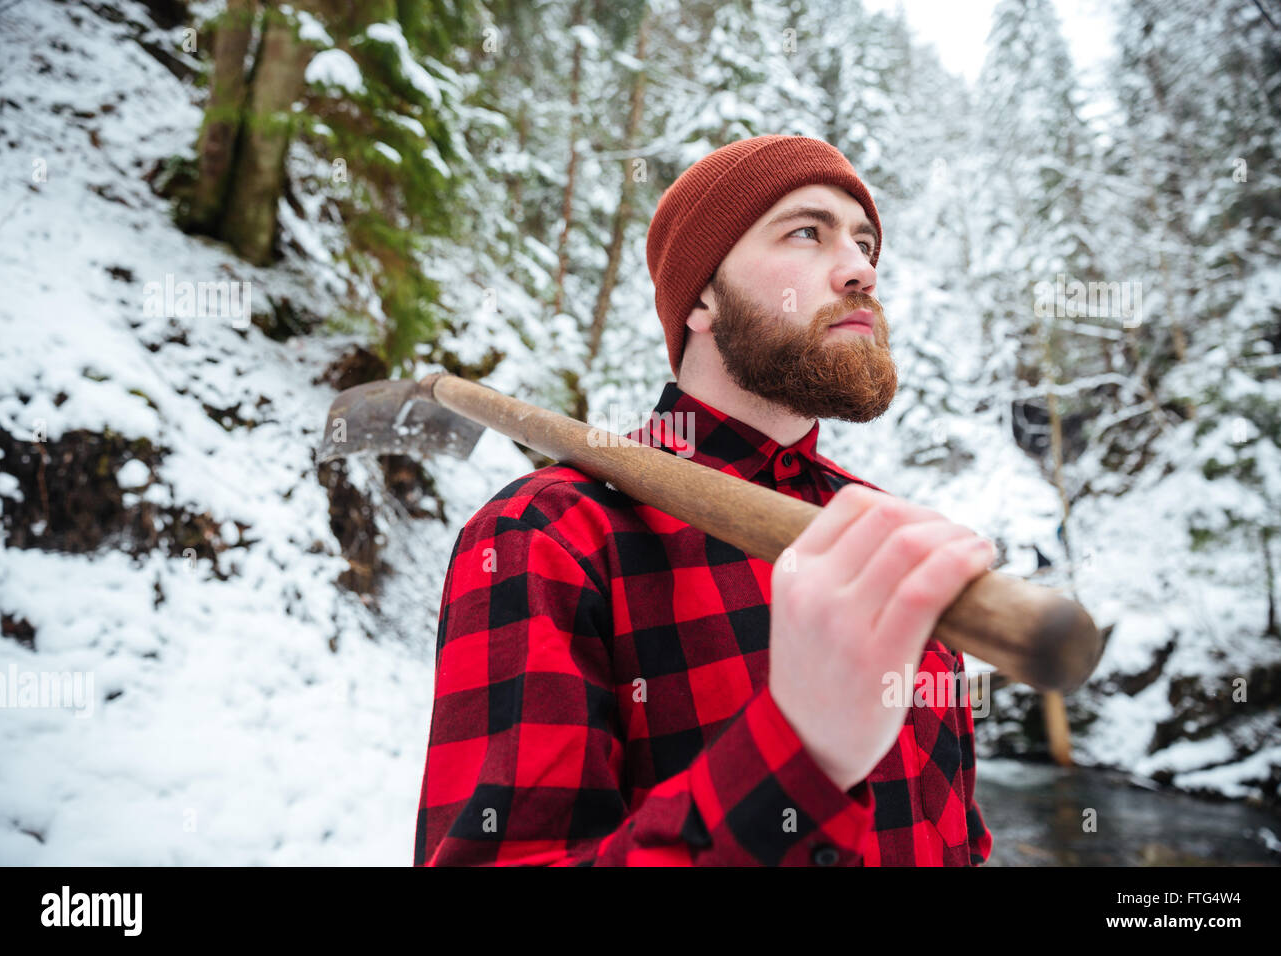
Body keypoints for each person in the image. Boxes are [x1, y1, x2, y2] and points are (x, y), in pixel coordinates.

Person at [413, 134, 993, 866]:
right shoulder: (549, 537)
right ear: (704, 297)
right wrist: (796, 761)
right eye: (808, 232)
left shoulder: (885, 538)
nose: (860, 271)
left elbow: (959, 845)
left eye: (867, 245)